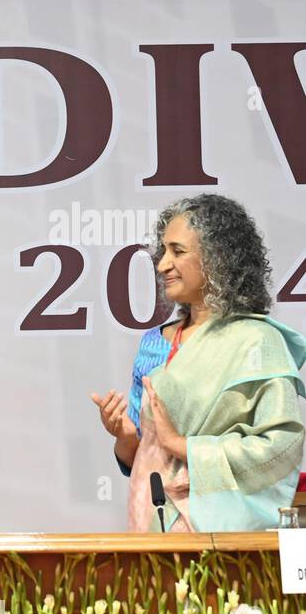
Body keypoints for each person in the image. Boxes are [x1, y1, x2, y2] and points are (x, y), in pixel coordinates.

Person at [90, 194, 306, 531]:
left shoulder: (256, 342)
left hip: (220, 538)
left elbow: (280, 447)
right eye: (163, 252)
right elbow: (141, 459)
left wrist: (183, 445)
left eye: (178, 251)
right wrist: (126, 436)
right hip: (149, 524)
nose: (162, 265)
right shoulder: (154, 343)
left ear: (217, 258)